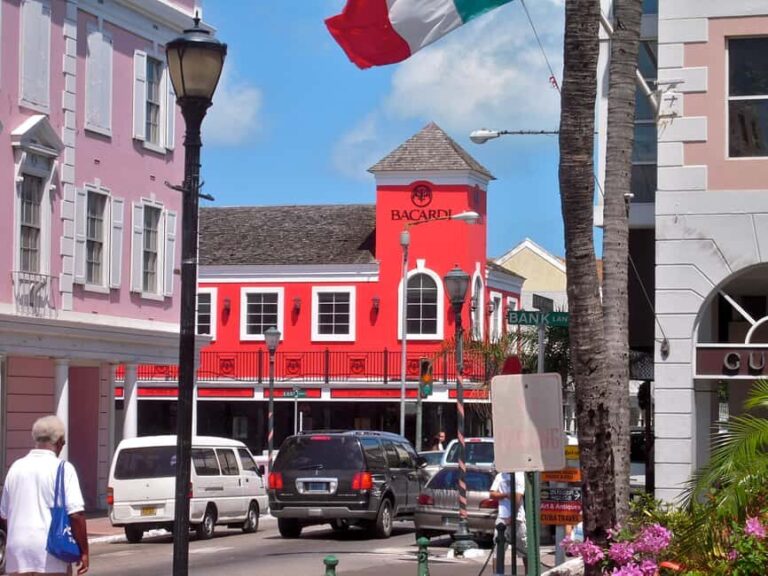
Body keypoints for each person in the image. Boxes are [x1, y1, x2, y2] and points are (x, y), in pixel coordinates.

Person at [0, 415, 89, 575]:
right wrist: (84, 551)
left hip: (16, 553)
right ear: (59, 441)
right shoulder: (64, 468)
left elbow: (4, 515)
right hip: (50, 552)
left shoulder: (16, 468)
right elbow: (76, 515)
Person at [490, 471, 527, 571]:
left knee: (524, 549)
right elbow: (492, 494)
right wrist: (506, 495)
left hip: (518, 518)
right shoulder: (500, 475)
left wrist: (512, 516)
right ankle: (498, 574)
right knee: (498, 549)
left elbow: (518, 497)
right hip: (502, 516)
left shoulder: (519, 475)